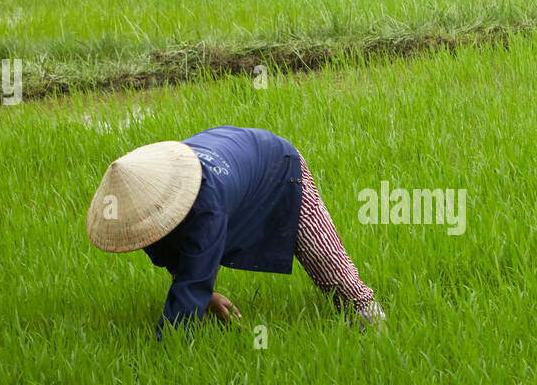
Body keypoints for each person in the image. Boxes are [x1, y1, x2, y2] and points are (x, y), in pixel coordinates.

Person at [86, 126, 385, 336]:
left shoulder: (205, 202)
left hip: (279, 166)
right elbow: (183, 257)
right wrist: (207, 295)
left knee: (327, 266)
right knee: (191, 245)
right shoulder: (150, 206)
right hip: (234, 164)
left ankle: (371, 320)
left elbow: (194, 273)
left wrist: (165, 350)